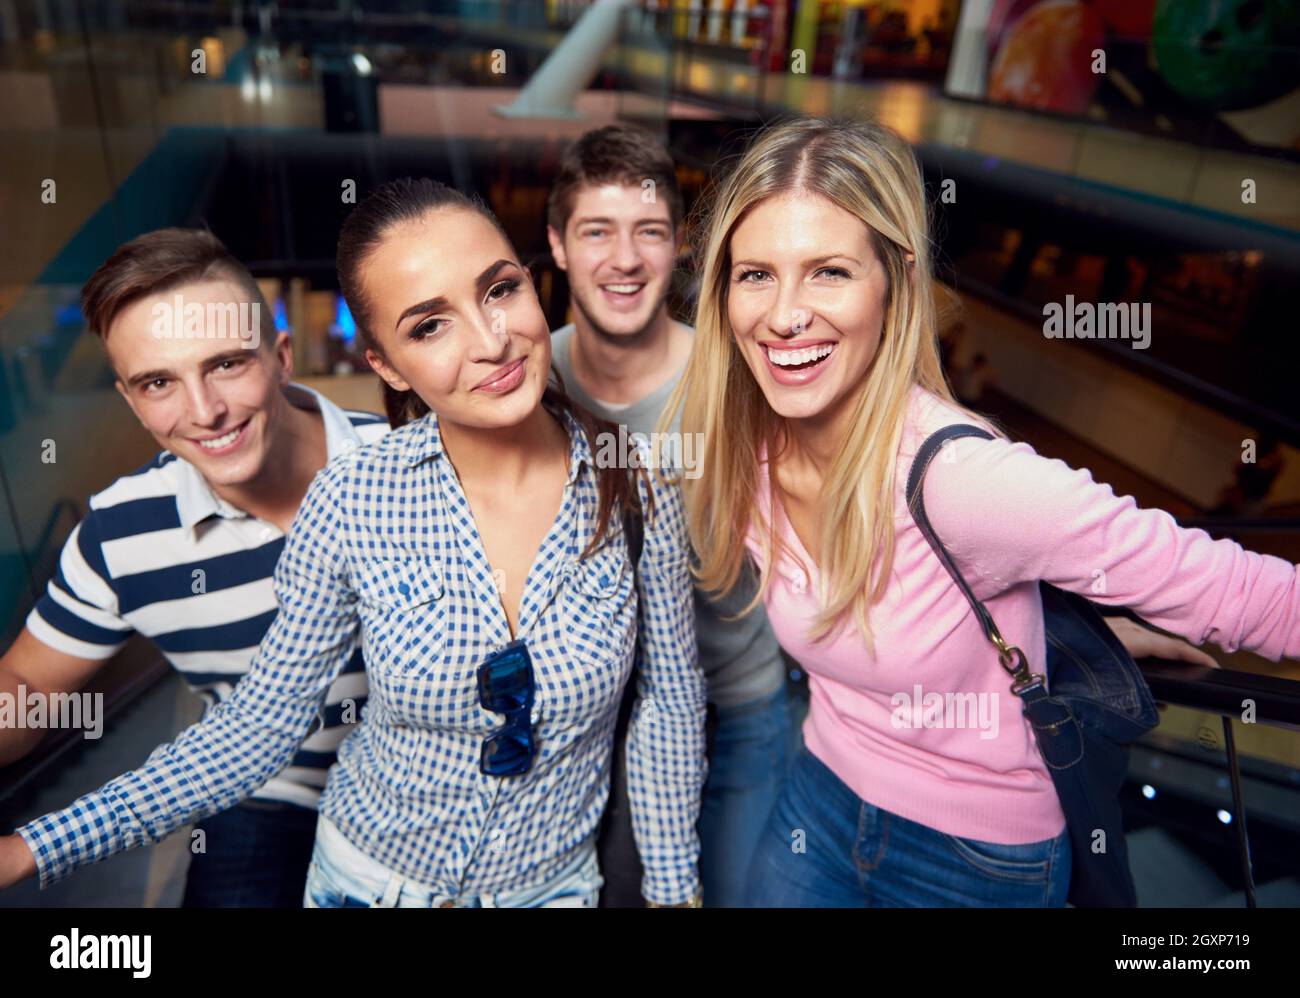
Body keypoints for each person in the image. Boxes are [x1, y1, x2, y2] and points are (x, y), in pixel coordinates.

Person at [0, 179, 707, 908]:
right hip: (364, 883)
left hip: (552, 887)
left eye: (499, 291)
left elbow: (670, 704)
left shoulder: (636, 488)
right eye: (430, 326)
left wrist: (673, 887)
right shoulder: (353, 496)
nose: (492, 341)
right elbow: (257, 725)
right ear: (388, 365)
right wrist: (32, 850)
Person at [665, 115, 1297, 907]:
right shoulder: (746, 446)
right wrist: (1066, 618)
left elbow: (1252, 597)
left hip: (976, 857)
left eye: (828, 271)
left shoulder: (964, 479)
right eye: (755, 273)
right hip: (821, 790)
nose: (785, 314)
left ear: (894, 282)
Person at [0, 228, 388, 907]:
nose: (205, 412)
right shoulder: (119, 534)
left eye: (228, 365)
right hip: (262, 794)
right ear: (129, 399)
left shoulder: (411, 466)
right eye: (159, 382)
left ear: (281, 357)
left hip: (428, 787)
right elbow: (27, 685)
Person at [545, 124, 798, 907]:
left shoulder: (740, 377)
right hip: (601, 720)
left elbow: (879, 466)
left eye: (648, 232)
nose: (624, 259)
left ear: (680, 243)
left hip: (744, 701)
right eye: (597, 232)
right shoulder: (526, 383)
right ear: (557, 246)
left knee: (732, 893)